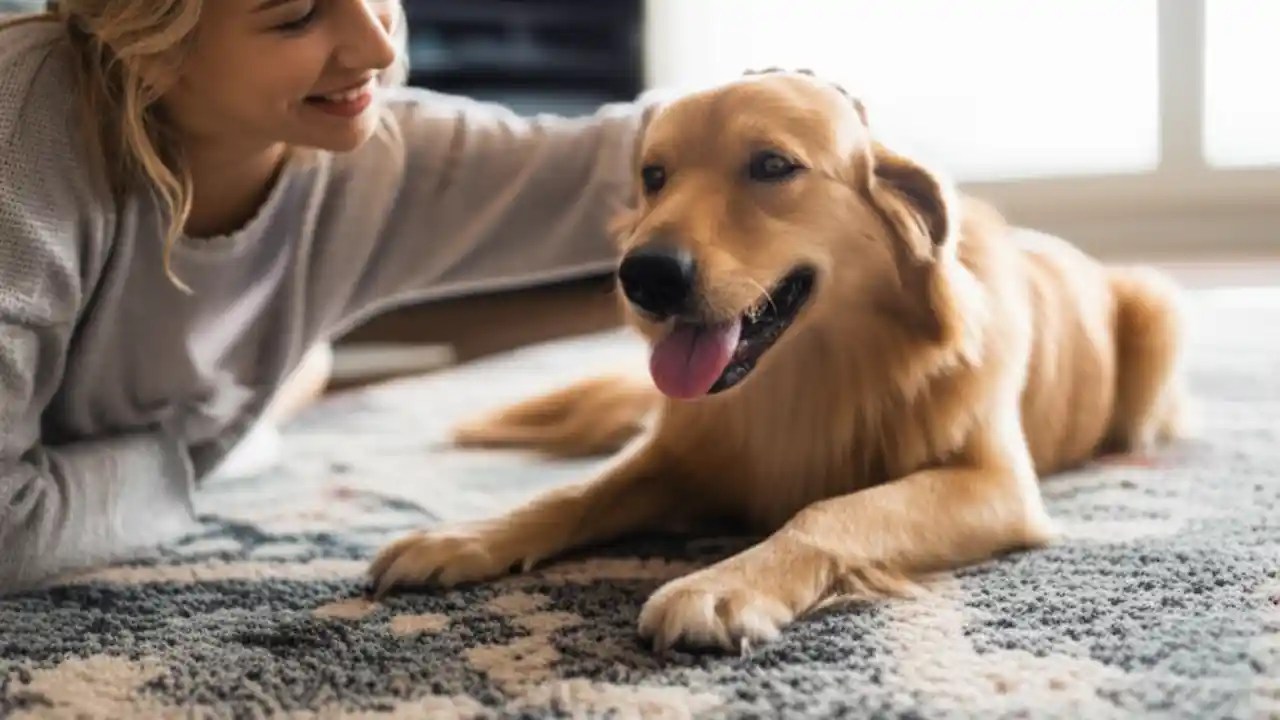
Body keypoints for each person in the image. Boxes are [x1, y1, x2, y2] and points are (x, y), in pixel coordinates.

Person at [0, 0, 665, 592]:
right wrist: (188, 465)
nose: (377, 47)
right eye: (297, 16)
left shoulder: (367, 159)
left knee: (277, 385)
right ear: (149, 44)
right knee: (258, 402)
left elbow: (637, 156)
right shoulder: (24, 131)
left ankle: (281, 382)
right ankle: (272, 390)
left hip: (165, 410)